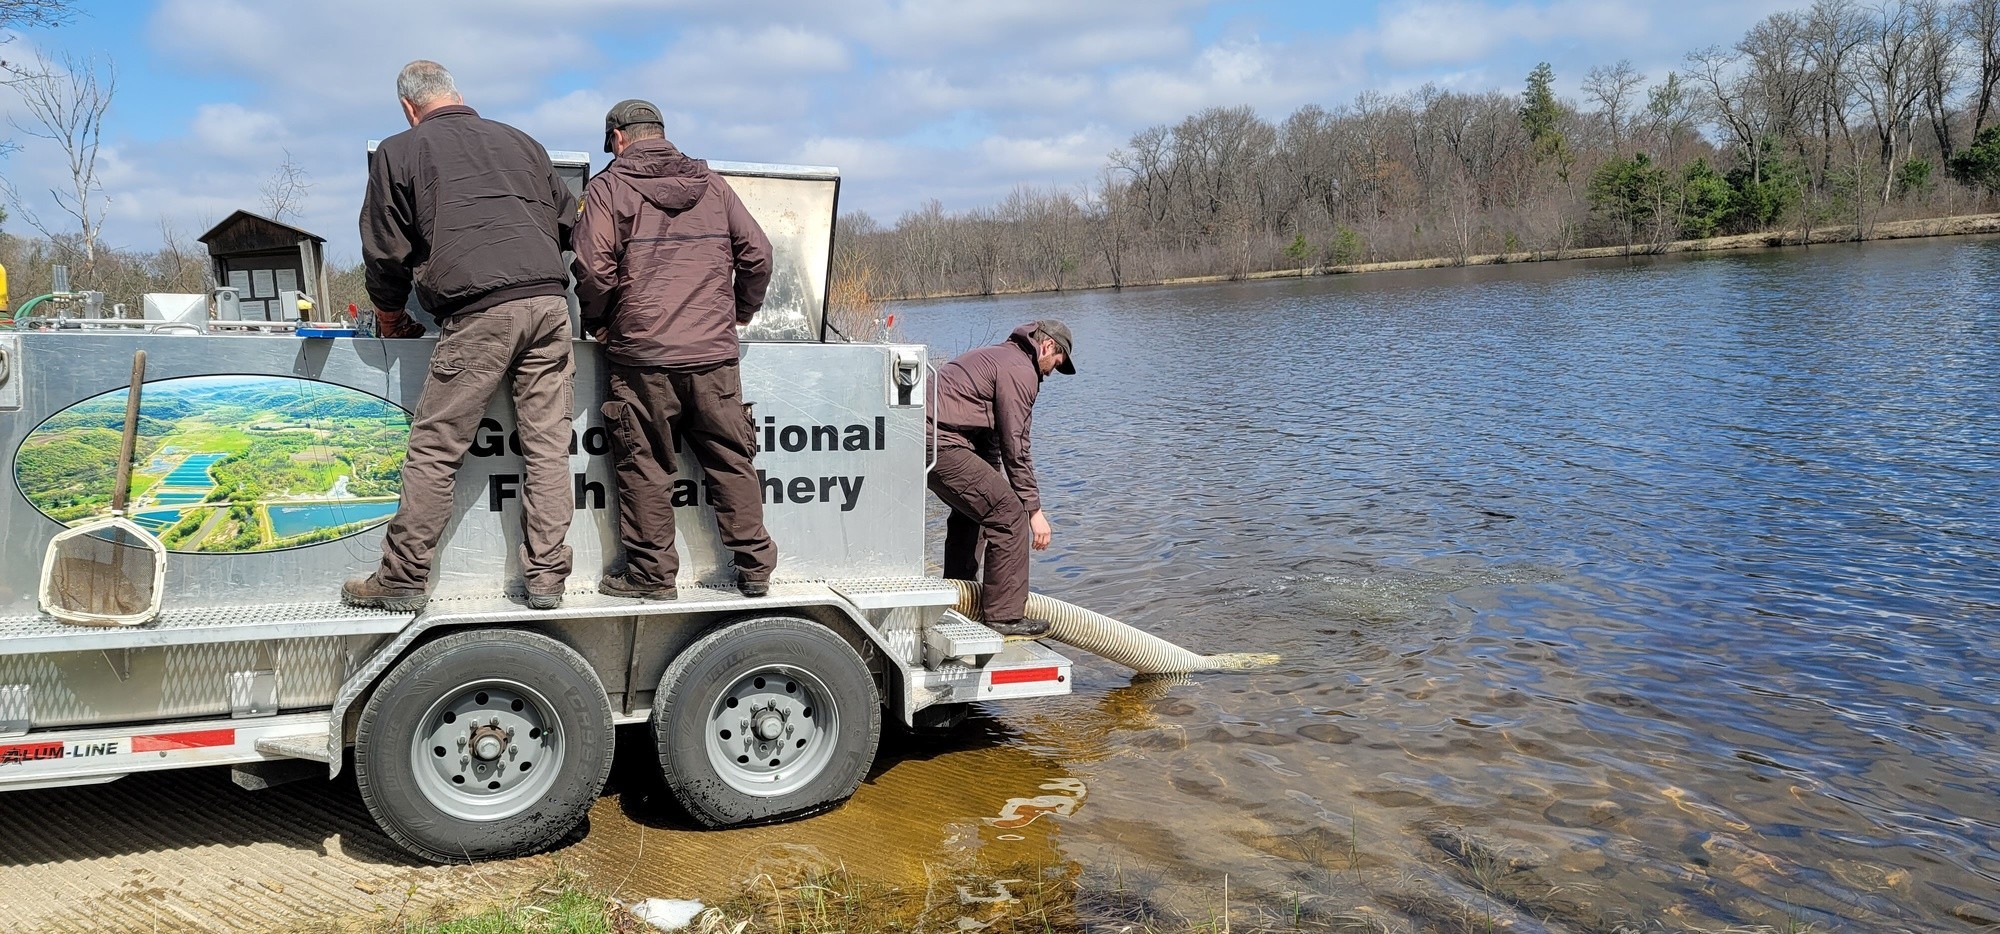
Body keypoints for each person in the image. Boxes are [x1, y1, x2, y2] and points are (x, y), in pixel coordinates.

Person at [341, 60, 579, 613]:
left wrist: (390, 316)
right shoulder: (523, 142)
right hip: (549, 305)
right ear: (456, 93)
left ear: (408, 107)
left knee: (436, 448)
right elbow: (570, 224)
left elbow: (385, 251)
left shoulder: (399, 151)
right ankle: (547, 580)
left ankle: (402, 579)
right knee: (547, 448)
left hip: (478, 312)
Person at [571, 99, 776, 601]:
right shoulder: (713, 185)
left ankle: (652, 576)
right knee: (731, 458)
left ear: (618, 138)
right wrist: (740, 311)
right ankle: (755, 568)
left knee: (645, 466)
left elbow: (593, 269)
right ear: (661, 133)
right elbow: (759, 254)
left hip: (642, 358)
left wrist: (600, 322)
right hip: (713, 354)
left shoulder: (608, 188)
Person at [928, 321, 1075, 637]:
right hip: (936, 440)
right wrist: (1034, 511)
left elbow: (991, 444)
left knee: (979, 509)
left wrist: (995, 485)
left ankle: (958, 599)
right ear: (1048, 346)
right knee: (1009, 515)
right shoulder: (1021, 370)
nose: (1052, 372)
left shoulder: (1001, 357)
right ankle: (1005, 617)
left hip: (919, 436)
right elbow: (1016, 445)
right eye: (1057, 362)